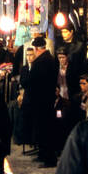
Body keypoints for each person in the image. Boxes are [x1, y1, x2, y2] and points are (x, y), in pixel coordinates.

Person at [23, 35, 58, 166]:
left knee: (44, 130)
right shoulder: (50, 59)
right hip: (47, 100)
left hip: (41, 102)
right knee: (44, 129)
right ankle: (43, 154)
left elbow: (32, 82)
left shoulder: (40, 62)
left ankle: (48, 158)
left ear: (37, 48)